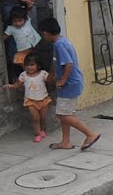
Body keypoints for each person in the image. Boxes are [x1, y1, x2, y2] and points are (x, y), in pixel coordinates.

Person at [39, 17, 101, 151]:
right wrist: (51, 74)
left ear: (45, 33)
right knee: (65, 113)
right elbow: (56, 62)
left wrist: (62, 80)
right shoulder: (62, 41)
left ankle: (90, 134)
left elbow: (68, 63)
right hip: (71, 84)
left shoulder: (59, 45)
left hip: (69, 85)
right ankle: (65, 141)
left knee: (63, 115)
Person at [3, 52, 53, 143]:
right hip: (31, 101)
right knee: (35, 118)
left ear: (38, 65)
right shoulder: (23, 75)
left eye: (32, 65)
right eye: (27, 65)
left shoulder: (43, 74)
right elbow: (18, 84)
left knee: (42, 118)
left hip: (43, 99)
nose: (29, 67)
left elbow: (50, 80)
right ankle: (37, 134)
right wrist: (11, 86)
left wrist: (54, 74)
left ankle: (42, 130)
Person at [3, 5, 39, 74]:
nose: (17, 23)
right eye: (15, 21)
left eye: (20, 21)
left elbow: (29, 9)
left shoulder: (27, 21)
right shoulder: (10, 28)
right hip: (22, 50)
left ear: (25, 19)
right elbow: (5, 36)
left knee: (34, 61)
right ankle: (28, 74)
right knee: (21, 62)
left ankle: (35, 74)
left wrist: (28, 2)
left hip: (34, 47)